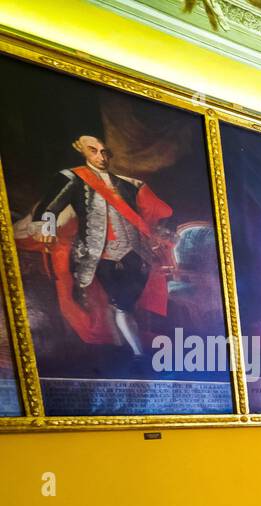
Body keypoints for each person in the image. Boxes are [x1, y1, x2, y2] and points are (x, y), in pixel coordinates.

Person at [27, 133, 173, 360]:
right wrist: (46, 229)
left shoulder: (128, 184)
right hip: (98, 253)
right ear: (81, 150)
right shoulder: (74, 178)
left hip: (135, 252)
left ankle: (129, 346)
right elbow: (48, 207)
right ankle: (136, 354)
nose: (100, 156)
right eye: (92, 150)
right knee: (120, 304)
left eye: (104, 151)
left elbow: (148, 215)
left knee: (128, 303)